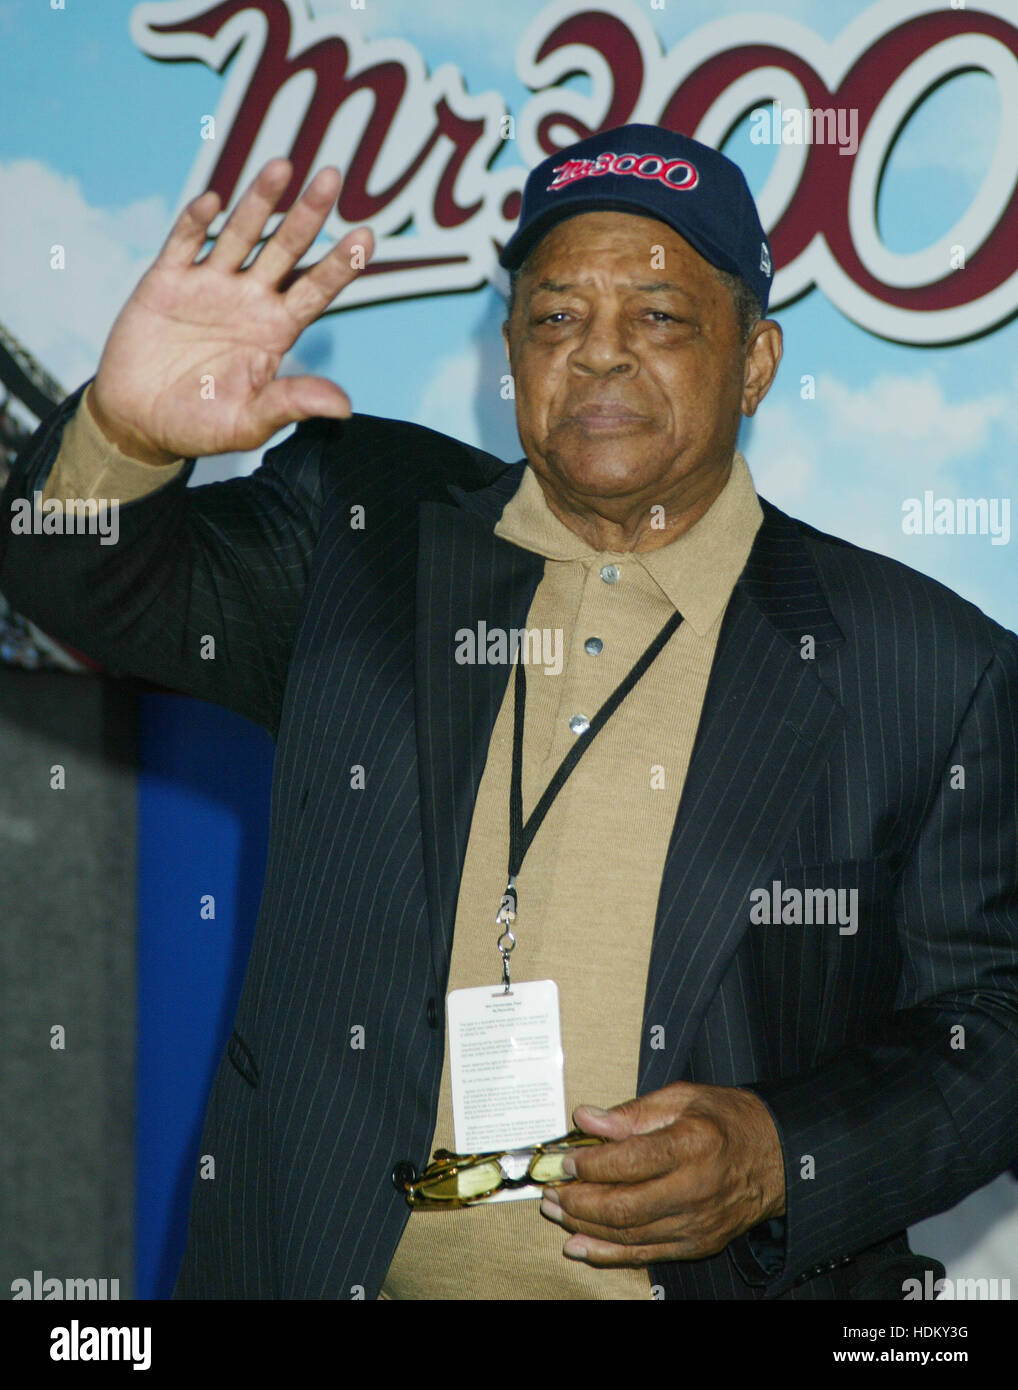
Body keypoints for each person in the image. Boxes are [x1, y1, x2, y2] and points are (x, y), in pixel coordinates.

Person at [1, 124, 1015, 1301]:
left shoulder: (927, 663)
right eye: (554, 316)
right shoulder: (362, 530)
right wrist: (122, 440)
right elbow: (80, 582)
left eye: (658, 317)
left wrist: (777, 1154)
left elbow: (992, 1025)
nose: (597, 355)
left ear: (755, 361)